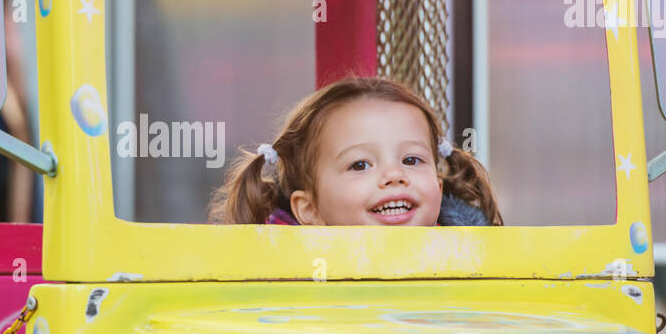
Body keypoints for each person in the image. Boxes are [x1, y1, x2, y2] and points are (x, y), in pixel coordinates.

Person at [210, 75, 501, 227]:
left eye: (411, 160)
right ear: (310, 209)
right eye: (360, 165)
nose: (395, 175)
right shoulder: (279, 281)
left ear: (438, 190)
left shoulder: (476, 261)